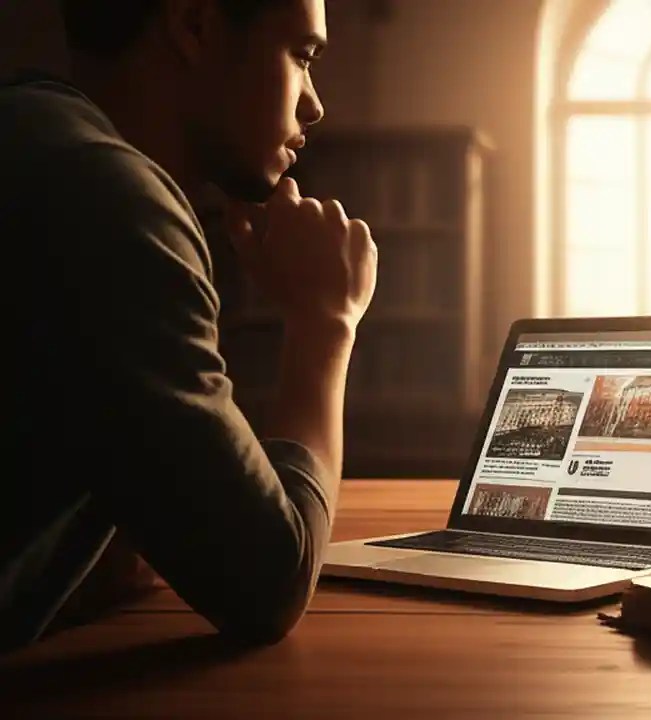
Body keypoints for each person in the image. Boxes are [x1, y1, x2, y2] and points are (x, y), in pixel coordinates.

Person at [0, 0, 376, 650]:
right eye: (302, 56)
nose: (314, 104)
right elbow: (267, 585)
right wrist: (325, 324)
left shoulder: (32, 128)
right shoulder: (107, 199)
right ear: (194, 27)